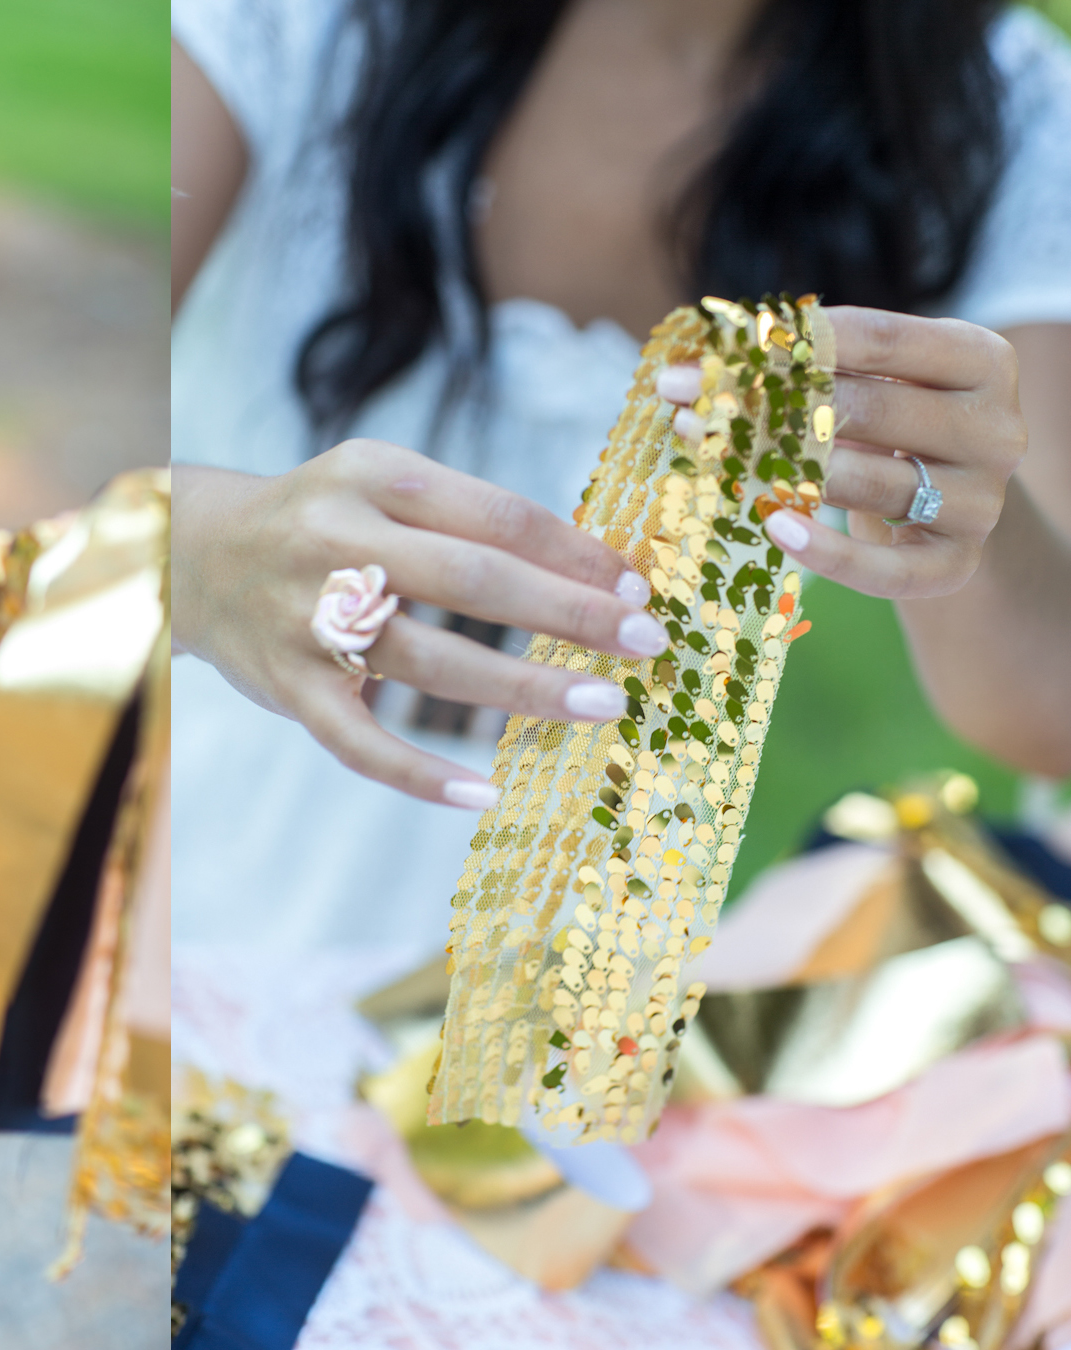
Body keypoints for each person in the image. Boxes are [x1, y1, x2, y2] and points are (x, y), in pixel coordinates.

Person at [169, 0, 1065, 951]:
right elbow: (30, 464)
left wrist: (951, 500)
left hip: (576, 983)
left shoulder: (1004, 107)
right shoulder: (302, 21)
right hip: (163, 886)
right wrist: (203, 555)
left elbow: (1043, 709)